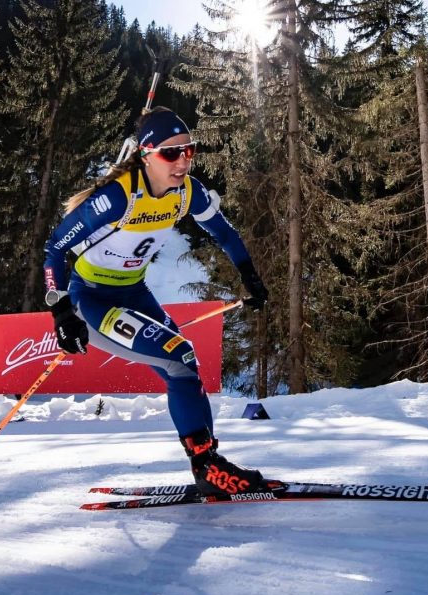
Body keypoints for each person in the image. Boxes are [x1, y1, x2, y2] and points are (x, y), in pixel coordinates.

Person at [42, 107, 280, 496]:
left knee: (184, 369)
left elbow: (225, 233)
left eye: (190, 150)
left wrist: (249, 276)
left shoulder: (188, 192)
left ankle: (208, 463)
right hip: (93, 301)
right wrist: (61, 309)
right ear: (148, 154)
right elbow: (54, 247)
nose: (183, 160)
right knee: (179, 354)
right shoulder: (118, 197)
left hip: (134, 293)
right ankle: (206, 465)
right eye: (172, 153)